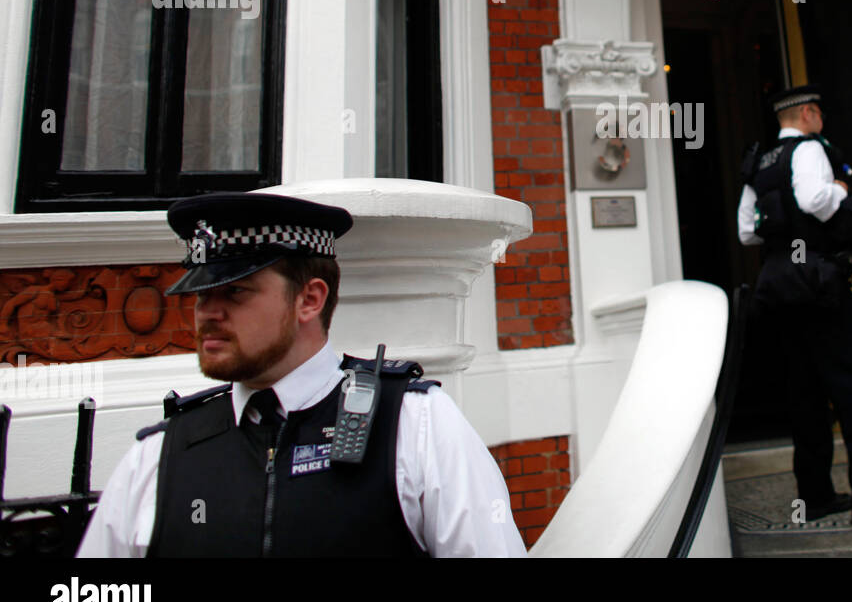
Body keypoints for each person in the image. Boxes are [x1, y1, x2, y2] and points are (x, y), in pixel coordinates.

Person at [77, 192, 525, 557]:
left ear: (309, 300)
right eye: (199, 294)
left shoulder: (416, 427)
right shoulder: (159, 456)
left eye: (235, 291)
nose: (207, 313)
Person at [738, 86, 852, 532]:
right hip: (818, 282)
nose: (822, 120)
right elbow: (814, 200)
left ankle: (817, 494)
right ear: (807, 113)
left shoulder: (760, 162)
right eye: (819, 113)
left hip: (779, 282)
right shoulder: (809, 149)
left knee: (804, 392)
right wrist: (840, 189)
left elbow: (748, 231)